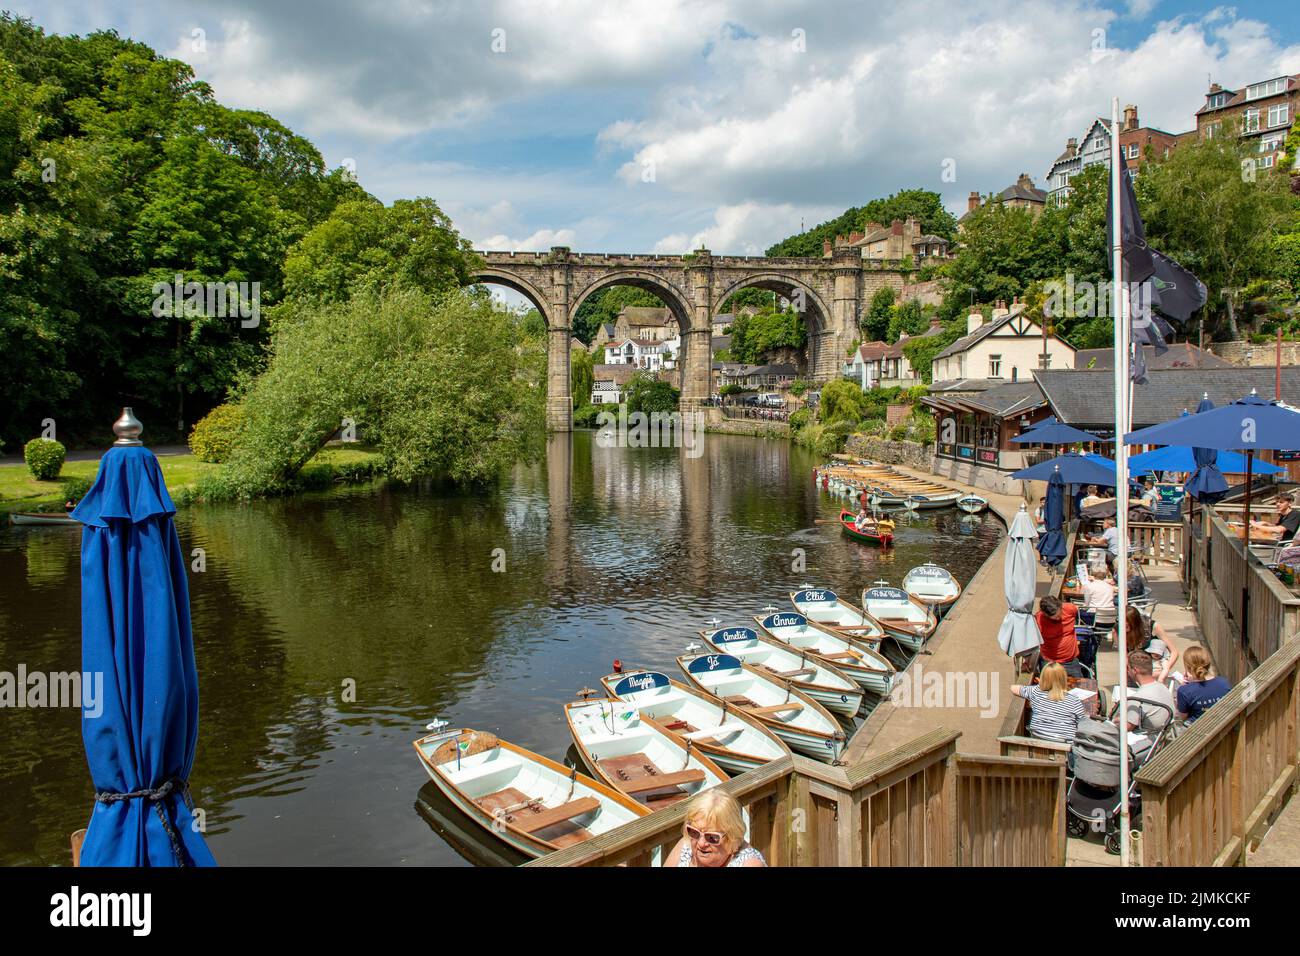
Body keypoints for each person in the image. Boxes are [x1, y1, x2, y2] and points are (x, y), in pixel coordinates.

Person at [669, 789, 766, 867]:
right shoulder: (687, 844)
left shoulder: (749, 864)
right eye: (694, 832)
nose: (701, 843)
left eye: (711, 837)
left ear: (732, 837)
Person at [1011, 662, 1087, 744]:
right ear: (1063, 678)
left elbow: (1013, 688)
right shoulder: (1074, 700)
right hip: (1065, 745)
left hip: (1038, 740)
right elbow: (1083, 723)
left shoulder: (1036, 691)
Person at [1117, 651, 1174, 759]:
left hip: (1142, 748)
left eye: (1128, 668)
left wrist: (1116, 719)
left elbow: (1125, 727)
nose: (1127, 671)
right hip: (1160, 742)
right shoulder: (1163, 688)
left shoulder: (1137, 699)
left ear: (1135, 671)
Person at [1175, 645, 1231, 723]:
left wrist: (1185, 688)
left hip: (1197, 732)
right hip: (1222, 728)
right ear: (1208, 663)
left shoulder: (1184, 691)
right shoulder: (1223, 683)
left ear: (1187, 667)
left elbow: (1183, 717)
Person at [1126, 606, 1178, 684]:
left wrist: (1164, 670)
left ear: (1135, 623)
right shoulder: (1121, 631)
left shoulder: (1152, 626)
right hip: (1135, 675)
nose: (1124, 629)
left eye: (1127, 626)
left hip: (1155, 672)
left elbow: (1174, 652)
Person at [1034, 594, 1082, 677]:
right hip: (1049, 662)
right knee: (1049, 688)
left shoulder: (1069, 609)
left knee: (1078, 687)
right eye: (1055, 617)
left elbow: (1076, 610)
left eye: (1059, 614)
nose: (1058, 618)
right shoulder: (1038, 619)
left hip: (1070, 661)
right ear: (1045, 614)